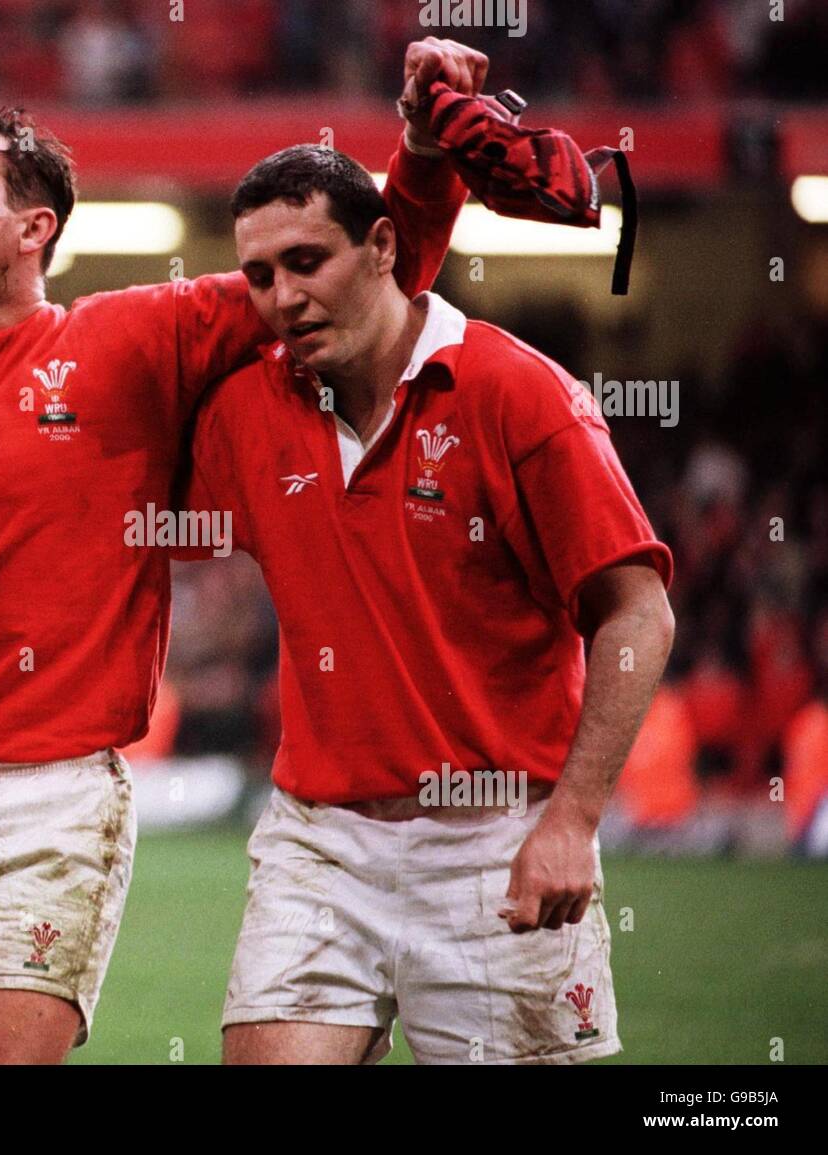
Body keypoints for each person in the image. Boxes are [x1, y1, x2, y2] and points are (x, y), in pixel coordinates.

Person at [0, 39, 491, 1065]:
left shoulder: (134, 341)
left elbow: (353, 284)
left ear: (35, 228)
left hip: (44, 800)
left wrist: (426, 155)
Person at [175, 142, 675, 1064]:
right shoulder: (246, 412)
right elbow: (73, 459)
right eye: (258, 274)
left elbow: (637, 612)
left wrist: (572, 819)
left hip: (501, 837)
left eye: (305, 261)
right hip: (319, 843)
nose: (282, 296)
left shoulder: (520, 394)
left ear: (380, 247)